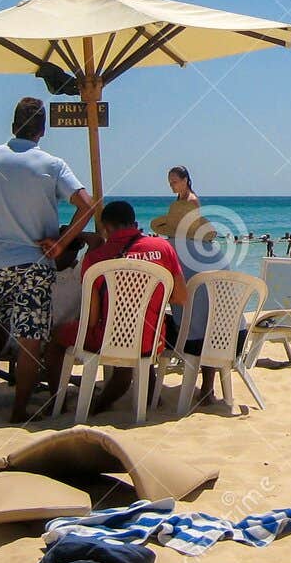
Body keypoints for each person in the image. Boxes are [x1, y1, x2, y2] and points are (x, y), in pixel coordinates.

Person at [0, 97, 96, 423]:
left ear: (13, 125)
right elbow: (87, 205)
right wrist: (61, 243)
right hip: (35, 264)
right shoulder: (53, 164)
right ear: (42, 130)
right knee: (31, 337)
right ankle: (19, 409)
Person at [46, 200, 185, 415]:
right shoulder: (163, 248)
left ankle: (59, 404)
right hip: (150, 340)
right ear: (135, 223)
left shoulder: (94, 258)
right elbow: (180, 297)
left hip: (107, 339)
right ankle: (115, 401)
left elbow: (92, 320)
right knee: (139, 333)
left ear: (106, 228)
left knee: (55, 339)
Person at [150, 165, 221, 345]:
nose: (172, 186)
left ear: (185, 180)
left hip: (189, 248)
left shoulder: (191, 200)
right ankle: (186, 336)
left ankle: (187, 337)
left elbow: (193, 224)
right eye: (170, 183)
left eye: (174, 182)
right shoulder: (181, 200)